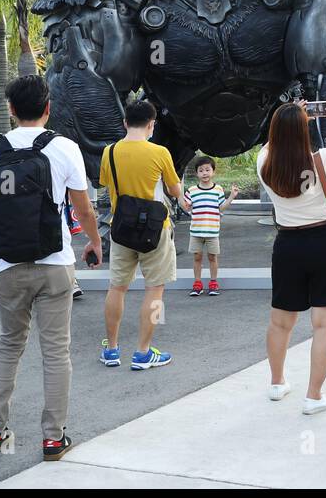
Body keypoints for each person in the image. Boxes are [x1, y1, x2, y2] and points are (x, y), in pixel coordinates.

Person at [0, 74, 102, 461]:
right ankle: (52, 438)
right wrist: (93, 242)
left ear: (11, 110)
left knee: (9, 345)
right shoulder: (64, 147)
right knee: (56, 352)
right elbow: (83, 207)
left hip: (7, 264)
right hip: (55, 263)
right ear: (48, 108)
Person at [259, 98, 326, 416]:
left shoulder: (264, 161)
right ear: (305, 129)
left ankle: (277, 382)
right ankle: (313, 395)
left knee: (280, 322)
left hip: (287, 246)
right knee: (324, 325)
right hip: (323, 243)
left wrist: (289, 116)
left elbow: (274, 140)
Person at [98, 99, 183, 369]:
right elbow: (174, 191)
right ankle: (143, 352)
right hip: (157, 230)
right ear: (151, 124)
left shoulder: (109, 152)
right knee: (155, 291)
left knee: (117, 288)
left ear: (125, 123)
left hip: (121, 229)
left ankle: (111, 350)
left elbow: (107, 184)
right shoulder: (160, 153)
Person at [180, 156, 240, 297]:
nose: (205, 173)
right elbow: (186, 207)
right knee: (197, 258)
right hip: (196, 232)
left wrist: (231, 196)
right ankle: (197, 283)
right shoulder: (192, 190)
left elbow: (221, 208)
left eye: (207, 169)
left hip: (212, 232)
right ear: (197, 173)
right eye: (201, 170)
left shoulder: (217, 189)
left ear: (213, 171)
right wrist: (178, 194)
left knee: (212, 257)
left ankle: (213, 283)